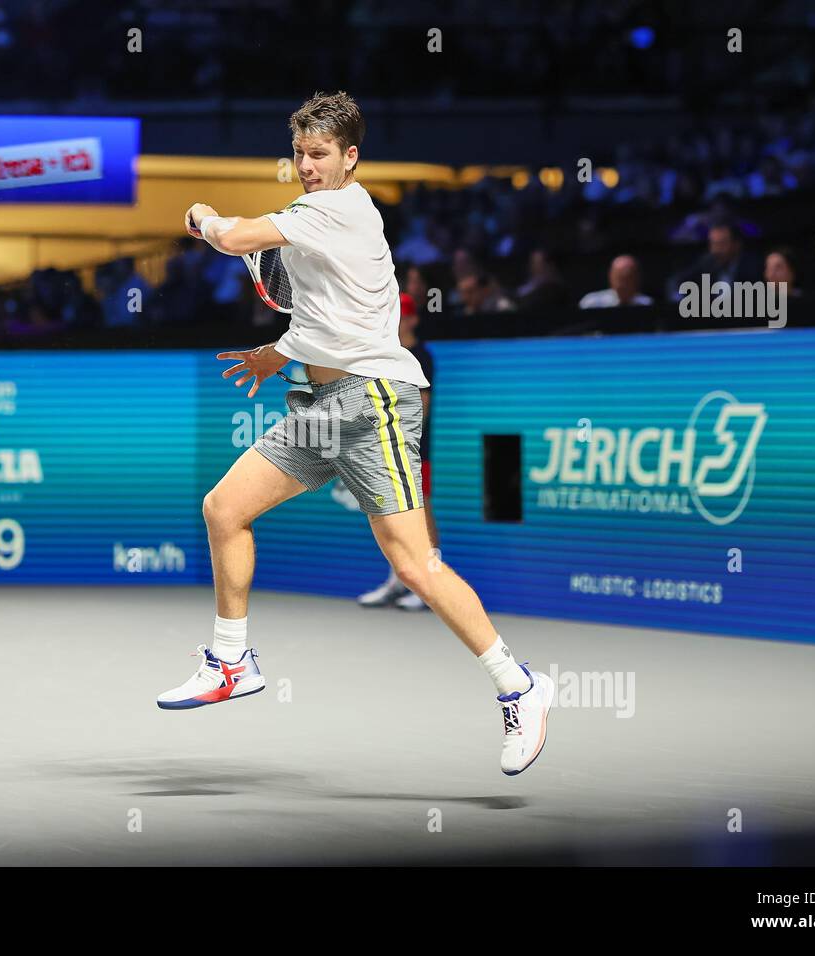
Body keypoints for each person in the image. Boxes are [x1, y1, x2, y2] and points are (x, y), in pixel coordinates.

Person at [165, 91, 553, 776]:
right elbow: (329, 318)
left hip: (373, 401)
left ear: (350, 156)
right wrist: (275, 355)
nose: (307, 165)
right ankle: (231, 661)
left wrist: (201, 217)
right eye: (299, 154)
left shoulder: (334, 208)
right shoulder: (320, 220)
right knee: (224, 508)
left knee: (414, 565)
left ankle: (519, 685)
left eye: (319, 154)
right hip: (322, 401)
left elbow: (229, 239)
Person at [357, 292, 439, 611]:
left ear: (414, 318)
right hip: (385, 448)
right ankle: (399, 579)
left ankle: (430, 586)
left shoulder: (421, 355)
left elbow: (422, 405)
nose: (395, 321)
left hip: (414, 450)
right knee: (392, 516)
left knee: (422, 515)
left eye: (401, 315)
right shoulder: (383, 356)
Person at [578, 255, 653, 308]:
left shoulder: (647, 304)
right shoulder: (591, 303)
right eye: (620, 277)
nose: (624, 284)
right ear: (611, 277)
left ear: (637, 279)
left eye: (629, 278)